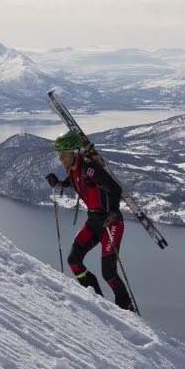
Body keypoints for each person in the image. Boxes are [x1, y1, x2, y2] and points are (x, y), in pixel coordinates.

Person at [45, 130, 134, 311]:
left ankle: (126, 308)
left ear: (74, 151)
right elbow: (74, 182)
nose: (60, 158)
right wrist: (59, 184)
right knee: (74, 260)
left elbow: (114, 187)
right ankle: (96, 299)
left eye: (63, 154)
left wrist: (113, 211)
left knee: (108, 273)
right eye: (59, 155)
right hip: (93, 221)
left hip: (111, 223)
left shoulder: (88, 166)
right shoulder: (73, 167)